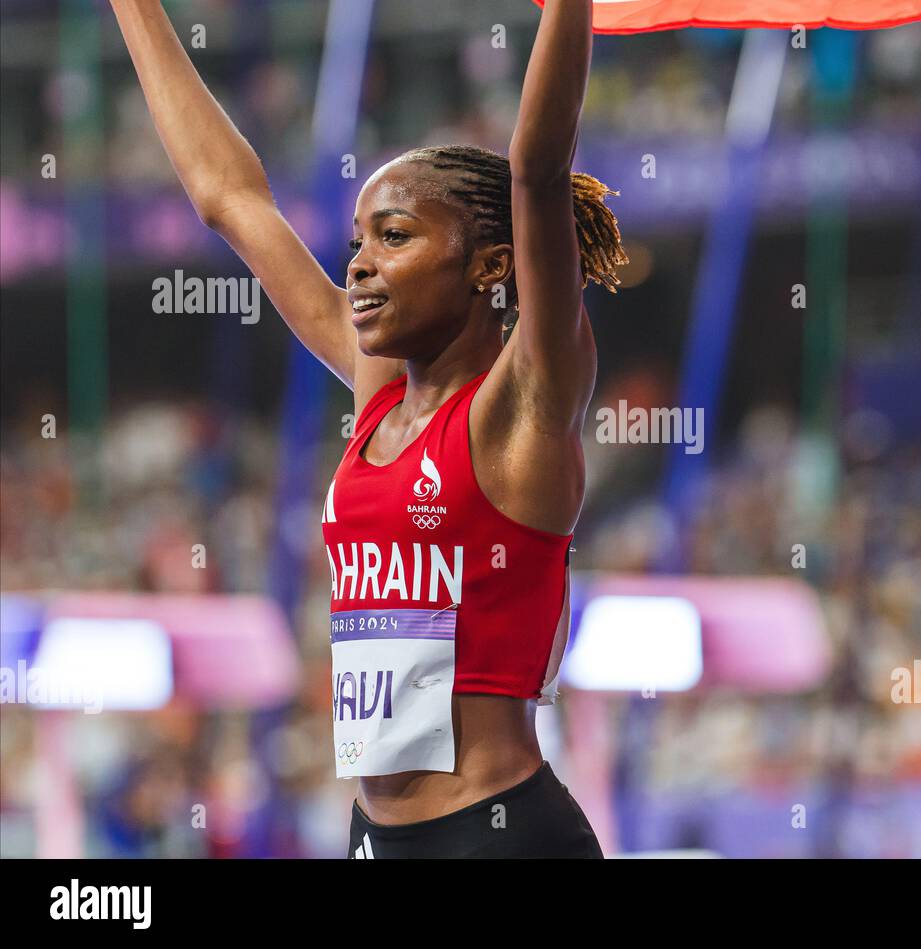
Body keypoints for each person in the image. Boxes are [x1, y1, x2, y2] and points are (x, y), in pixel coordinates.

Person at [111, 0, 624, 857]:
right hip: (371, 837)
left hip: (500, 835)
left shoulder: (525, 404)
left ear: (492, 265)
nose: (358, 264)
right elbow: (228, 198)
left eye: (394, 237)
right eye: (358, 240)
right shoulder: (380, 394)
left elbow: (535, 167)